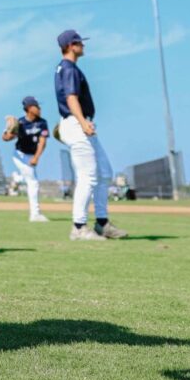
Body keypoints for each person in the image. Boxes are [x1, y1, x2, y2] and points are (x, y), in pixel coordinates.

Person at [53, 29, 128, 243]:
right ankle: (79, 227)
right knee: (88, 176)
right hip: (76, 123)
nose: (83, 45)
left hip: (79, 123)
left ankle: (102, 224)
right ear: (70, 46)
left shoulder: (69, 68)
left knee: (104, 173)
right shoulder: (68, 68)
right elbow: (71, 98)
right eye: (79, 42)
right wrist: (82, 121)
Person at [1, 97, 50, 222]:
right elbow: (6, 138)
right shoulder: (21, 123)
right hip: (20, 155)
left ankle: (17, 179)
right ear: (28, 108)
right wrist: (8, 129)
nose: (39, 108)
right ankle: (35, 214)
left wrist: (36, 157)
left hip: (31, 155)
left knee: (31, 180)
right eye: (36, 106)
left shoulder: (42, 123)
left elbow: (42, 142)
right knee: (33, 182)